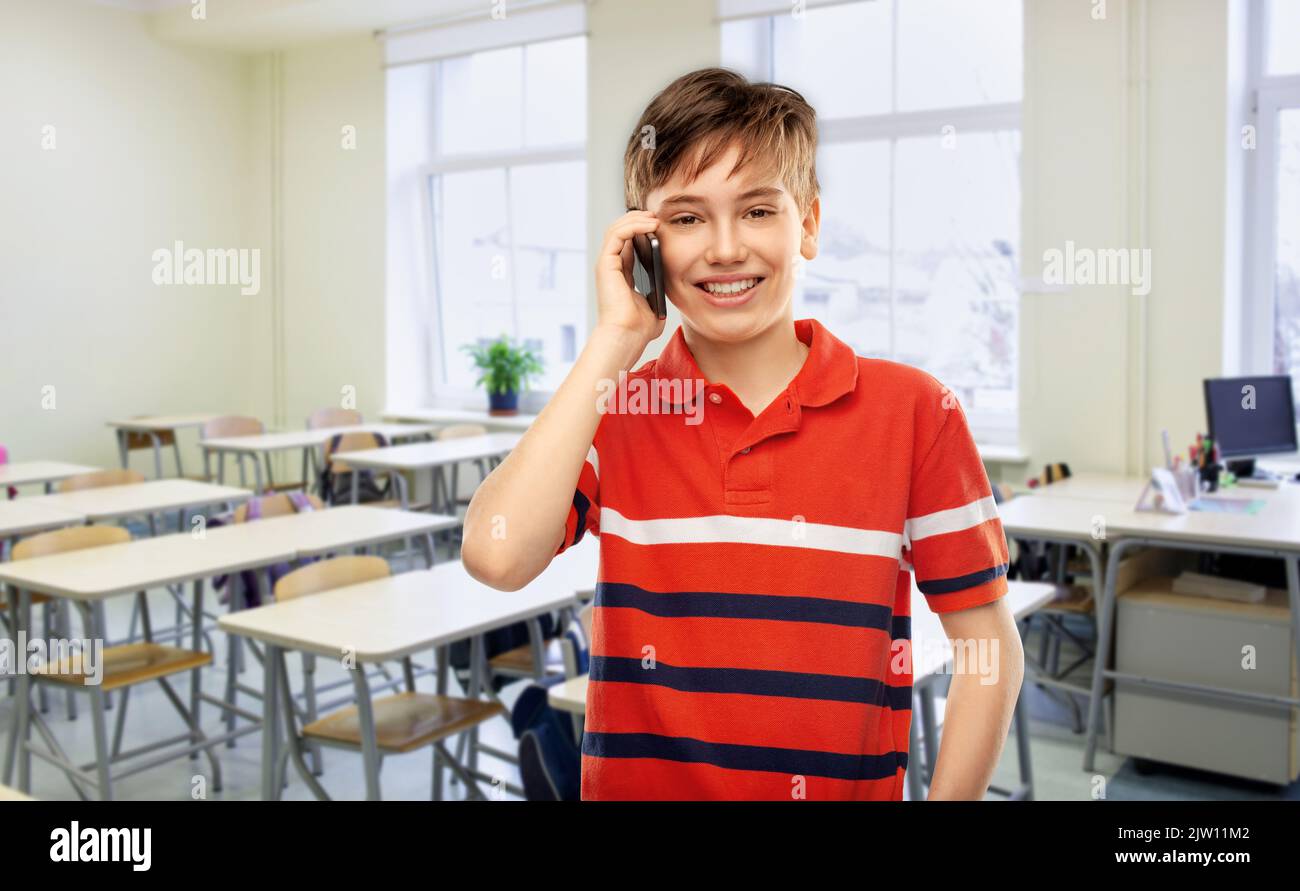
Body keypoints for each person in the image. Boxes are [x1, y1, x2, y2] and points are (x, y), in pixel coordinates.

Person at [462, 67, 1023, 800]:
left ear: (810, 224)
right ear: (645, 244)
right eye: (688, 218)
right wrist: (614, 338)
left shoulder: (915, 412)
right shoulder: (617, 408)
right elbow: (496, 554)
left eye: (758, 210)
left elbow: (987, 648)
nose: (725, 248)